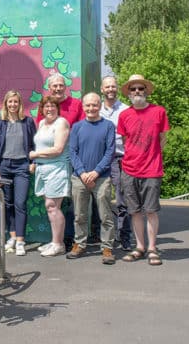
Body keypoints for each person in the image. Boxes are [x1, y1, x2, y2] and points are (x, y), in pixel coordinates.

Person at [117, 74, 170, 266]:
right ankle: (139, 247)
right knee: (135, 211)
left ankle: (152, 248)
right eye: (133, 89)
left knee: (151, 211)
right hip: (129, 169)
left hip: (152, 170)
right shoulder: (124, 115)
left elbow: (163, 139)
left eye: (140, 88)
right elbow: (125, 141)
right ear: (129, 93)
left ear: (146, 91)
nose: (137, 92)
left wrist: (152, 156)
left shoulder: (159, 112)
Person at [35, 73, 85, 251]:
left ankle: (69, 240)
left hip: (68, 160)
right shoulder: (45, 112)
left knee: (72, 202)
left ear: (65, 86)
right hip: (47, 164)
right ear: (50, 88)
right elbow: (41, 136)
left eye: (60, 85)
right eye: (54, 86)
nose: (57, 88)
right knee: (53, 204)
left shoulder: (76, 105)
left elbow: (81, 131)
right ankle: (58, 240)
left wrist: (34, 155)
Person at [68, 92, 117, 264]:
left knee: (105, 215)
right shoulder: (77, 127)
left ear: (100, 105)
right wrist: (82, 172)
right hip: (79, 177)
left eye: (94, 105)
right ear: (83, 106)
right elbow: (72, 151)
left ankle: (107, 247)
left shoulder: (108, 126)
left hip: (101, 177)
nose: (91, 108)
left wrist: (96, 172)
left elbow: (110, 152)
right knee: (79, 215)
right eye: (88, 105)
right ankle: (80, 244)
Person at [0, 90, 36, 256]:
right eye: (10, 102)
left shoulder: (27, 122)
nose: (12, 105)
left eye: (15, 102)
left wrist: (34, 162)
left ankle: (20, 241)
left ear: (19, 104)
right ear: (5, 103)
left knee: (20, 203)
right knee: (8, 203)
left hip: (21, 167)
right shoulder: (0, 123)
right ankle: (11, 237)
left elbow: (34, 144)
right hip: (4, 166)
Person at [29, 96, 71, 257]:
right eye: (46, 106)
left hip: (57, 169)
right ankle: (54, 241)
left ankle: (58, 244)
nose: (49, 109)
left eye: (52, 106)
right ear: (42, 109)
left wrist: (35, 155)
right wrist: (36, 161)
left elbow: (58, 149)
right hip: (43, 169)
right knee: (50, 206)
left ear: (57, 108)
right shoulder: (41, 124)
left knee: (53, 206)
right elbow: (41, 145)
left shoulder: (61, 123)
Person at [100, 75, 131, 251]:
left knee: (122, 199)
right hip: (101, 158)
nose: (110, 89)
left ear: (117, 88)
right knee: (100, 198)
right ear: (102, 90)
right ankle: (102, 234)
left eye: (113, 86)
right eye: (107, 87)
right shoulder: (97, 110)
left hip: (120, 158)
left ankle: (124, 236)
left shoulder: (126, 110)